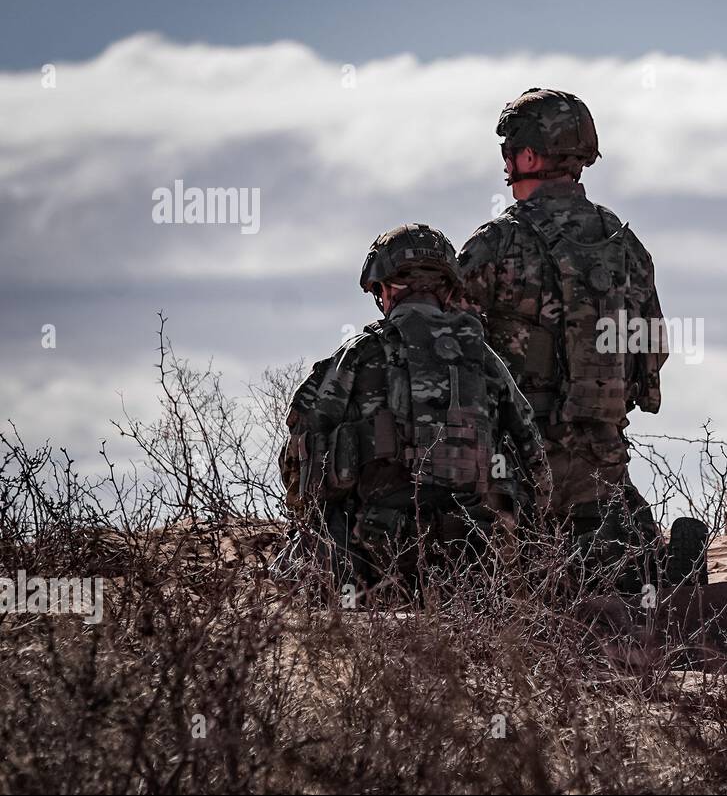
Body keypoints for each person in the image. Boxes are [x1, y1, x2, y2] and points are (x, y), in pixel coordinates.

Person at [458, 88, 699, 593]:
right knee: (620, 578)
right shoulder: (623, 243)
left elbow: (451, 352)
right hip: (604, 459)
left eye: (510, 152)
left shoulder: (496, 243)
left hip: (519, 467)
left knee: (498, 580)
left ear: (526, 156)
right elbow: (653, 348)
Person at [278, 223, 548, 591]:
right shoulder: (485, 362)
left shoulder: (358, 356)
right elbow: (536, 463)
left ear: (385, 289)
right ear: (449, 288)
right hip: (473, 561)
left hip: (374, 560)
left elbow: (298, 463)